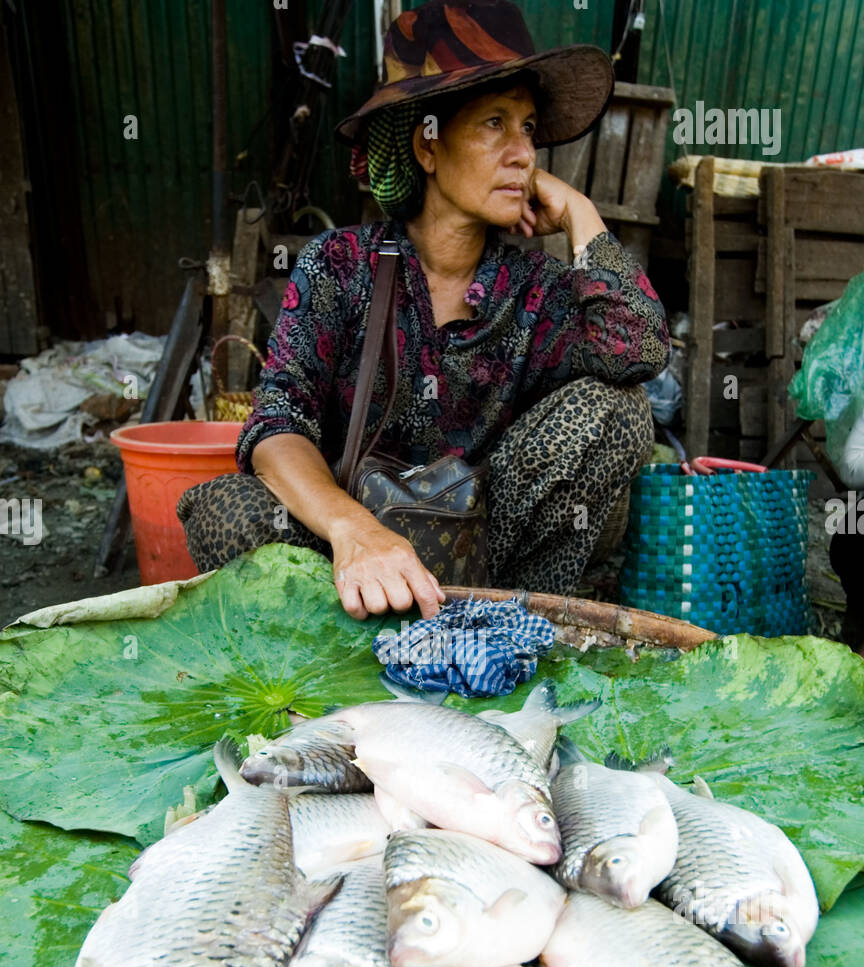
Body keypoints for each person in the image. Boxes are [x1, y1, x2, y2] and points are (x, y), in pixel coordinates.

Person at [178, 0, 669, 620]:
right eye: (494, 123)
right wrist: (356, 532)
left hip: (495, 568)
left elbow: (640, 349)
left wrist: (579, 214)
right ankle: (341, 652)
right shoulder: (341, 264)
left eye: (528, 128)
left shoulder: (536, 289)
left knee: (614, 408)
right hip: (355, 567)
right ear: (429, 148)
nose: (523, 153)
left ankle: (527, 626)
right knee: (227, 510)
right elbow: (277, 423)